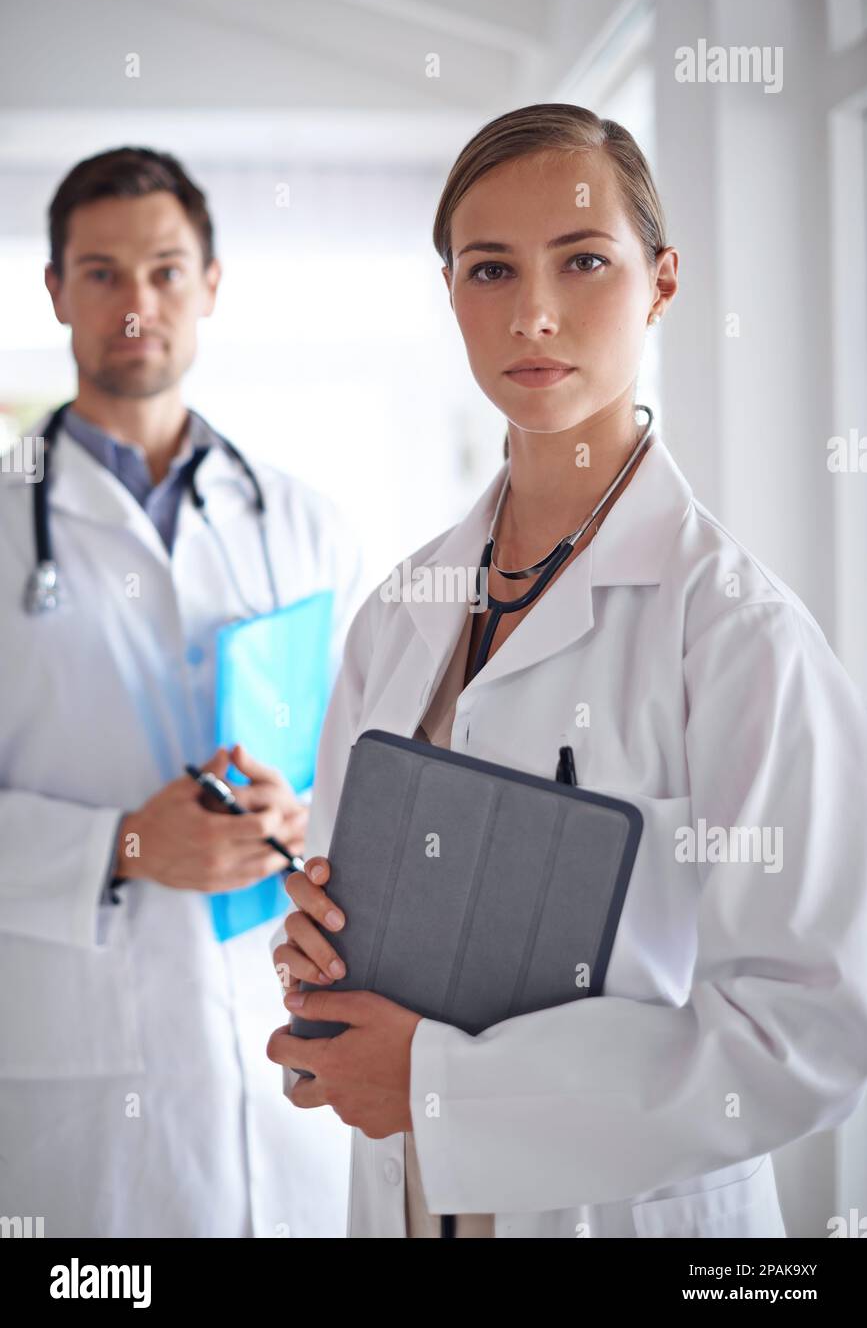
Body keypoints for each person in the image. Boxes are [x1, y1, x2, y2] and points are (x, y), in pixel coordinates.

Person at [267, 104, 867, 1239]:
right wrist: (318, 967)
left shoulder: (738, 634)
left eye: (584, 260)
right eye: (490, 269)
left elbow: (811, 1035)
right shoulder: (399, 614)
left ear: (664, 282)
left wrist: (445, 1090)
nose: (532, 312)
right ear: (449, 292)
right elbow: (357, 918)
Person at [0, 147, 366, 1237]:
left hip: (281, 1056)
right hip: (75, 1099)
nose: (135, 303)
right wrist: (120, 846)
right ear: (56, 290)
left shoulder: (302, 525)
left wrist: (308, 814)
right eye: (101, 272)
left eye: (165, 269)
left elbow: (364, 766)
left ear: (210, 285)